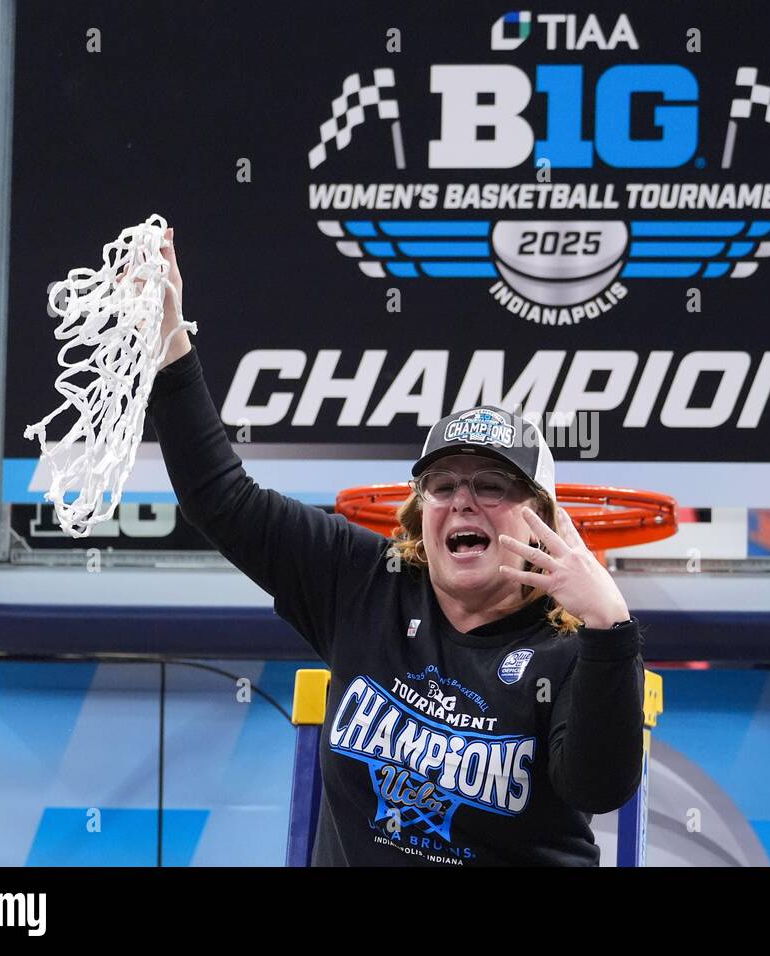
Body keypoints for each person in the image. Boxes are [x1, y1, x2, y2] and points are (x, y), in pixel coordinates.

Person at [144, 229, 646, 866]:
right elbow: (220, 498)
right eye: (442, 485)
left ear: (542, 521)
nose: (463, 501)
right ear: (418, 514)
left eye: (492, 485)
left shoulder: (571, 648)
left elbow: (599, 788)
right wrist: (168, 341)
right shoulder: (365, 582)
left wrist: (610, 628)